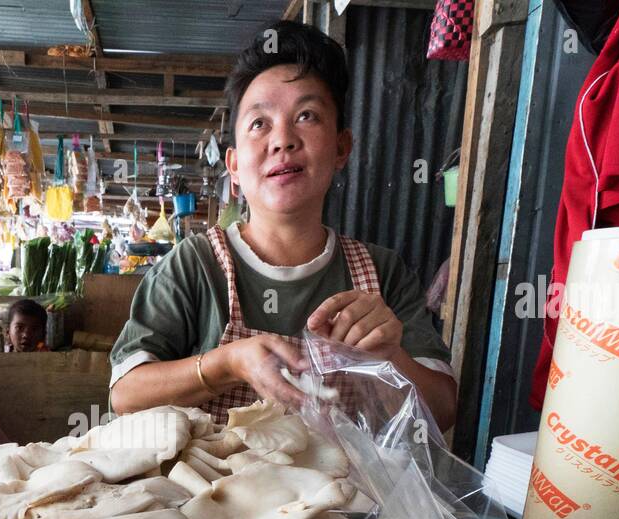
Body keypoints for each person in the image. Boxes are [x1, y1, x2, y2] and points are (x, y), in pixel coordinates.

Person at [109, 21, 458, 430]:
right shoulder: (194, 265)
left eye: (306, 116)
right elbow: (124, 395)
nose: (282, 140)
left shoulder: (383, 274)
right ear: (235, 166)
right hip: (215, 492)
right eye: (260, 123)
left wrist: (390, 357)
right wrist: (228, 364)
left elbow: (445, 411)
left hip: (345, 492)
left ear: (342, 147)